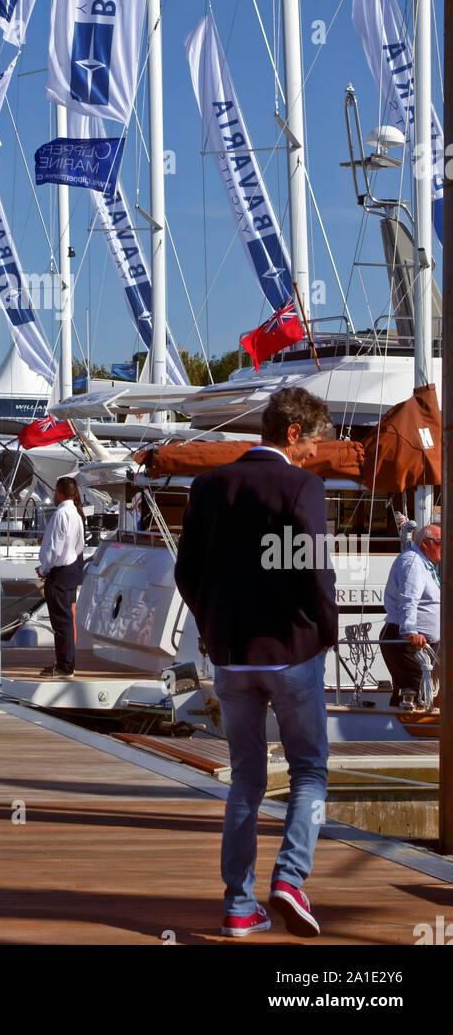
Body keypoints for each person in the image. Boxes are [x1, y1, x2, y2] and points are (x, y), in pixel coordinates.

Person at [174, 387, 337, 940]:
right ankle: (290, 878)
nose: (314, 453)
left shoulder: (208, 486)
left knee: (246, 778)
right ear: (293, 434)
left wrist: (212, 625)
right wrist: (327, 629)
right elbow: (315, 569)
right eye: (313, 442)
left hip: (232, 658)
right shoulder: (302, 486)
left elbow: (186, 573)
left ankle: (240, 907)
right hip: (292, 651)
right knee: (309, 771)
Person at [379, 522, 440, 711]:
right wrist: (410, 631)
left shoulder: (424, 564)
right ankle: (407, 726)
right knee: (417, 690)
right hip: (406, 641)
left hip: (418, 644)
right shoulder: (413, 563)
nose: (446, 548)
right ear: (425, 543)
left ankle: (398, 724)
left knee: (415, 691)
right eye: (441, 543)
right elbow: (409, 598)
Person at [36, 476, 86, 681]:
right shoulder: (76, 514)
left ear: (58, 493)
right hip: (71, 569)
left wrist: (45, 568)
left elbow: (55, 547)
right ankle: (65, 663)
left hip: (60, 571)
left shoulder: (61, 514)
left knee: (61, 622)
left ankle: (65, 666)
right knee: (66, 620)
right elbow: (78, 544)